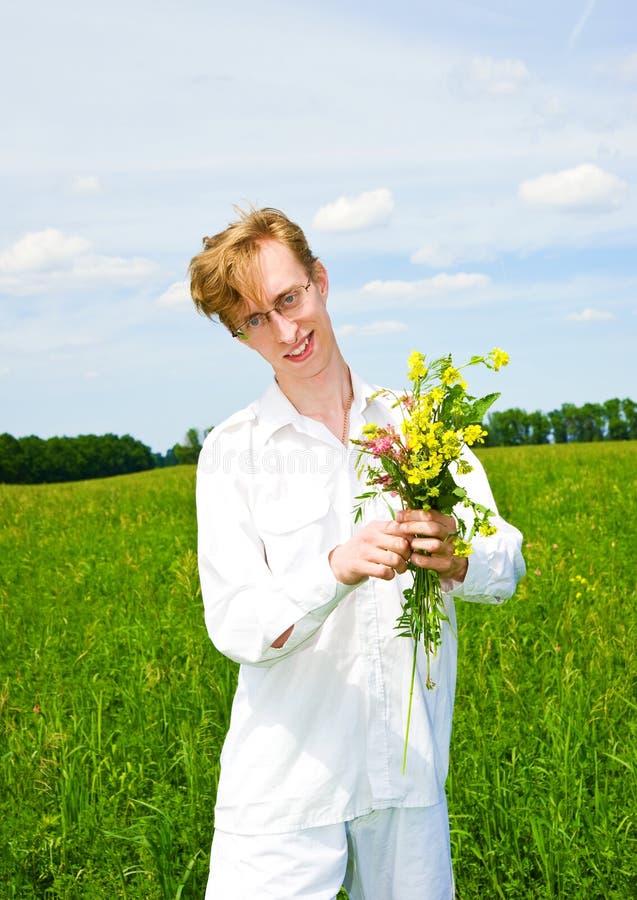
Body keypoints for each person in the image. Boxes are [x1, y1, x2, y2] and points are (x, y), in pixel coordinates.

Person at [189, 207, 525, 899]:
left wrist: (458, 556)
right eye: (254, 320)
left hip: (405, 769)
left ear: (320, 280)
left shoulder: (417, 422)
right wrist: (333, 571)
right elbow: (236, 626)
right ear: (238, 334)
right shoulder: (233, 452)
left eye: (289, 299)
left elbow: (506, 562)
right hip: (284, 784)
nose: (285, 331)